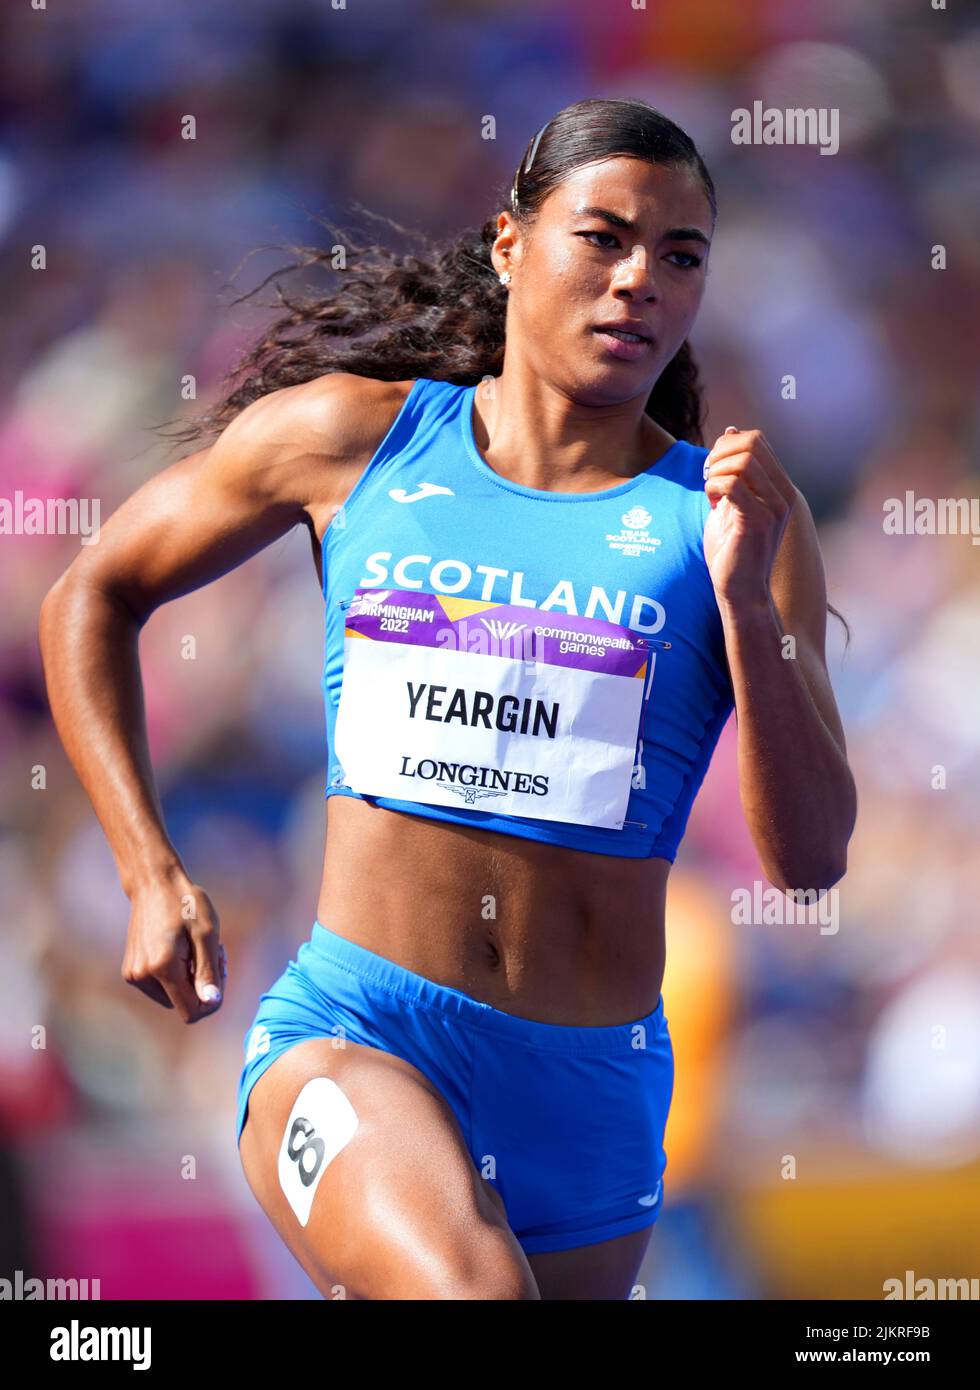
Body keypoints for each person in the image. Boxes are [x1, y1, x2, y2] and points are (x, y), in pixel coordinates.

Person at [38, 97, 857, 1301]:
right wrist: (147, 869)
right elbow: (91, 593)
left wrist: (741, 610)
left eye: (678, 257)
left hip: (591, 1098)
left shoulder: (732, 527)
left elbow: (810, 860)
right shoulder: (351, 442)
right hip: (361, 1034)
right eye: (604, 237)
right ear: (509, 244)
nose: (639, 280)